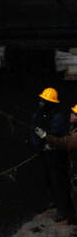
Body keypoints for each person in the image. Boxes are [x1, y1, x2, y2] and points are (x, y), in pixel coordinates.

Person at [31, 88, 72, 221]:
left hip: (56, 154)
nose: (41, 102)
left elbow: (56, 133)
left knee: (59, 181)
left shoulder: (57, 117)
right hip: (45, 152)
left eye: (45, 100)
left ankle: (63, 209)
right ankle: (54, 201)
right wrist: (38, 143)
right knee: (48, 178)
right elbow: (35, 127)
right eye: (42, 99)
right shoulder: (39, 113)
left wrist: (46, 138)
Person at [39, 103, 77, 216]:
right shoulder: (73, 129)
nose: (71, 115)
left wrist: (46, 136)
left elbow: (65, 143)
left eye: (74, 114)